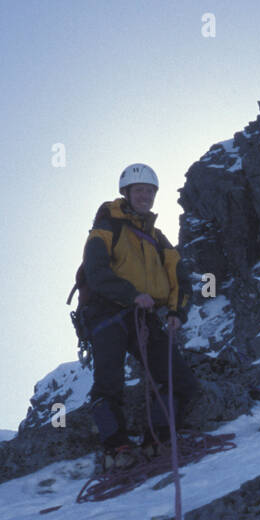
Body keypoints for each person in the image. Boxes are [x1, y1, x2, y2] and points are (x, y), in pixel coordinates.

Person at [81, 163, 200, 468]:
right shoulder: (106, 227)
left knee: (178, 379)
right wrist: (131, 295)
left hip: (144, 316)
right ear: (127, 193)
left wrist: (176, 312)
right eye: (139, 191)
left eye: (149, 191)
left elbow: (179, 279)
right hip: (106, 312)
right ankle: (116, 448)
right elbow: (96, 272)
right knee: (109, 381)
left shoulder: (159, 239)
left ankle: (155, 440)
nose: (145, 196)